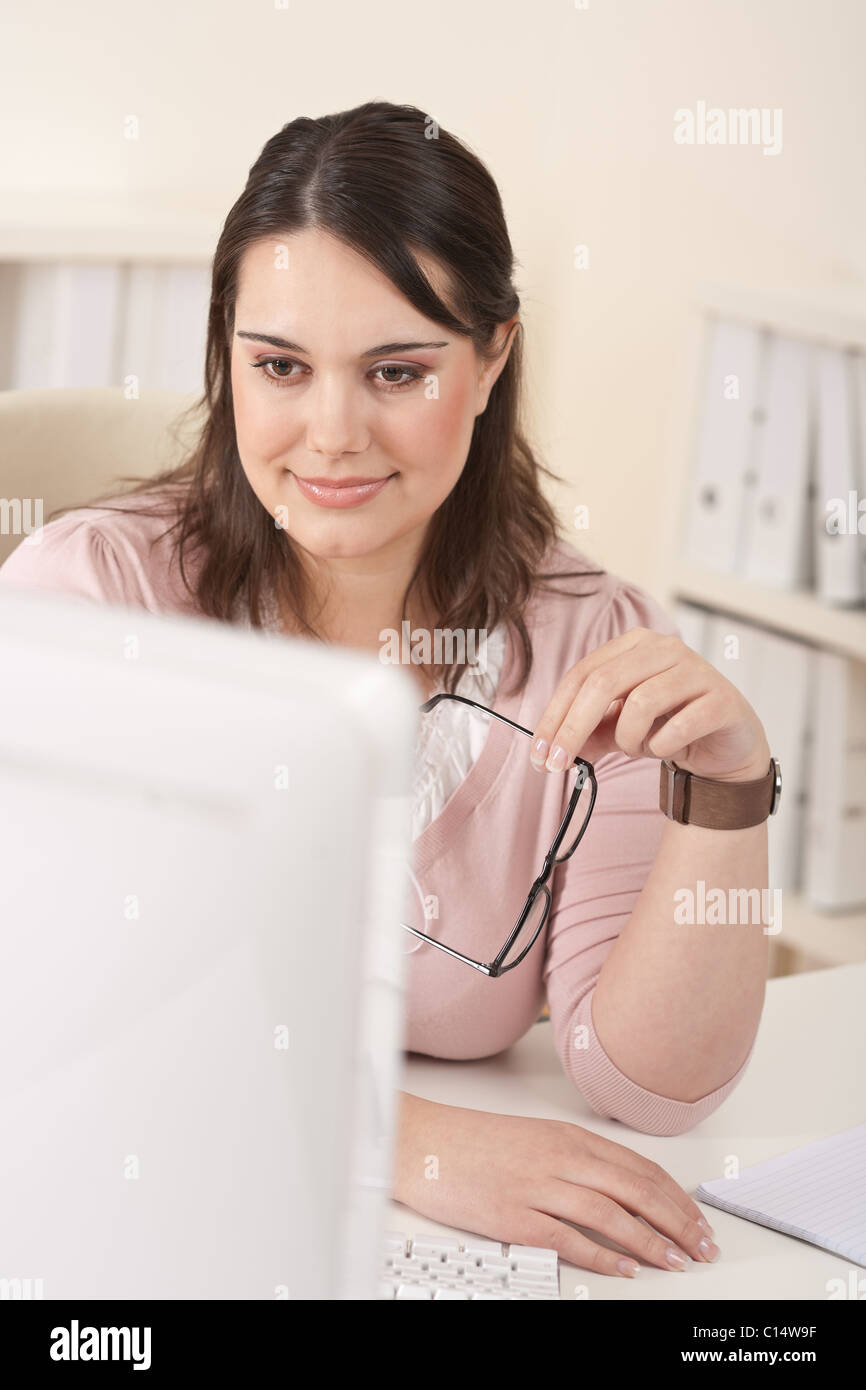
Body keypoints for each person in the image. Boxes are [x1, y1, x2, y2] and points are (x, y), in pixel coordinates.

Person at [0, 100, 774, 1279]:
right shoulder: (88, 599)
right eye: (278, 367)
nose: (330, 435)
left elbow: (648, 1085)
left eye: (397, 370)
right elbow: (44, 1012)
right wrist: (406, 1142)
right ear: (225, 351)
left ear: (492, 358)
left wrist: (725, 789)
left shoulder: (596, 639)